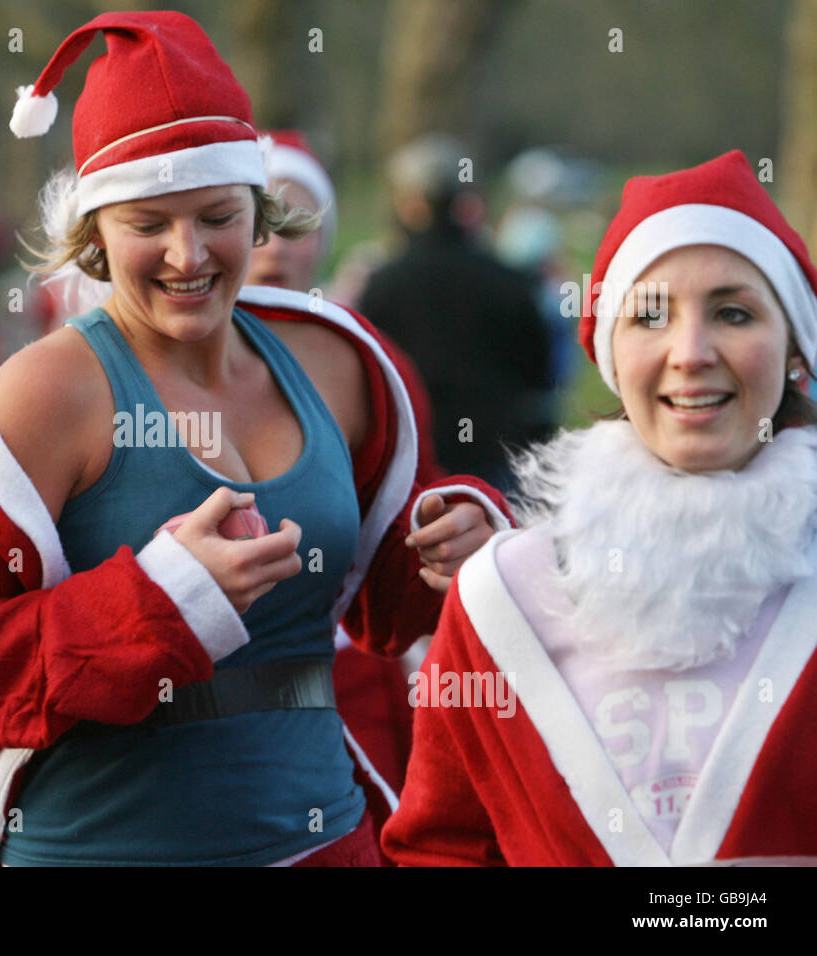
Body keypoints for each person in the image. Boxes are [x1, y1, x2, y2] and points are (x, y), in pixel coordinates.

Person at [0, 10, 511, 867]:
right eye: (148, 225)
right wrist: (156, 602)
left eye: (217, 215)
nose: (189, 255)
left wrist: (460, 540)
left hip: (325, 842)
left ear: (260, 211)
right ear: (93, 236)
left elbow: (385, 608)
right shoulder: (44, 396)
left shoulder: (338, 360)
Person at [382, 151, 817, 865]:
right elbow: (441, 848)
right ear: (611, 351)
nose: (691, 352)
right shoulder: (504, 597)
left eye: (733, 312)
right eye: (650, 316)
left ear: (796, 349)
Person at [245, 130, 443, 793]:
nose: (274, 246)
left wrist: (467, 523)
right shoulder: (145, 368)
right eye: (253, 222)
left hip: (349, 677)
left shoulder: (372, 366)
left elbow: (415, 512)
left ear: (324, 240)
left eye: (295, 224)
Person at [358, 134, 554, 492]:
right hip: (496, 462)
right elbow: (539, 375)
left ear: (409, 203)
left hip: (409, 463)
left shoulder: (382, 284)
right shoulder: (508, 281)